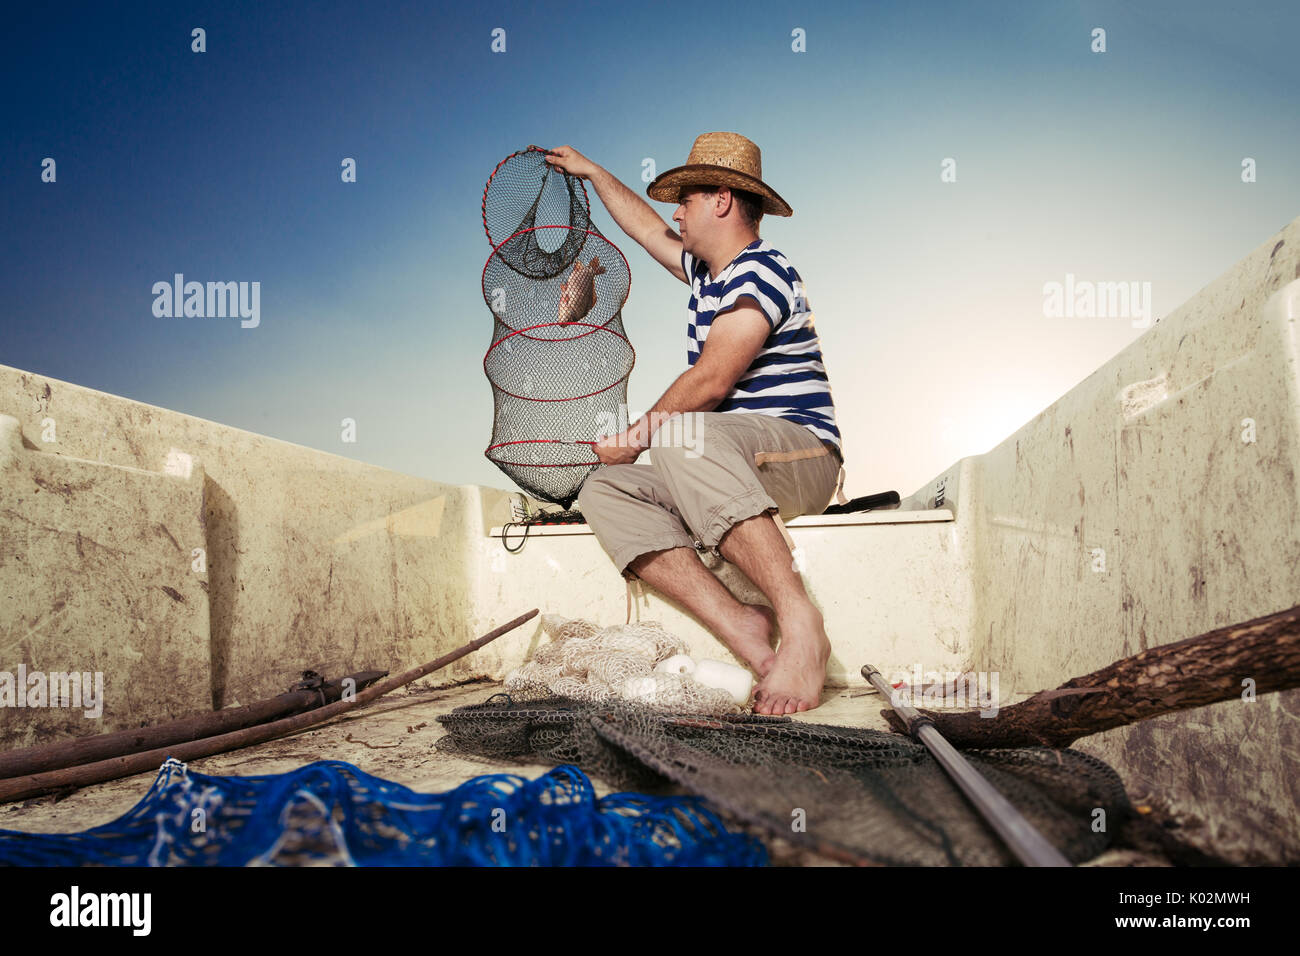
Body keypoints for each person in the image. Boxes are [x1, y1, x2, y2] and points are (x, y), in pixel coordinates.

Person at [545, 132, 845, 715]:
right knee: (604, 489)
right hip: (722, 462)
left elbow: (712, 380)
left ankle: (801, 623)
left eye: (685, 201)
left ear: (722, 200)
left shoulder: (762, 269)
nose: (675, 214)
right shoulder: (707, 275)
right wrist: (593, 171)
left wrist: (634, 438)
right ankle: (741, 625)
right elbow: (645, 229)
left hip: (802, 456)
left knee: (679, 431)